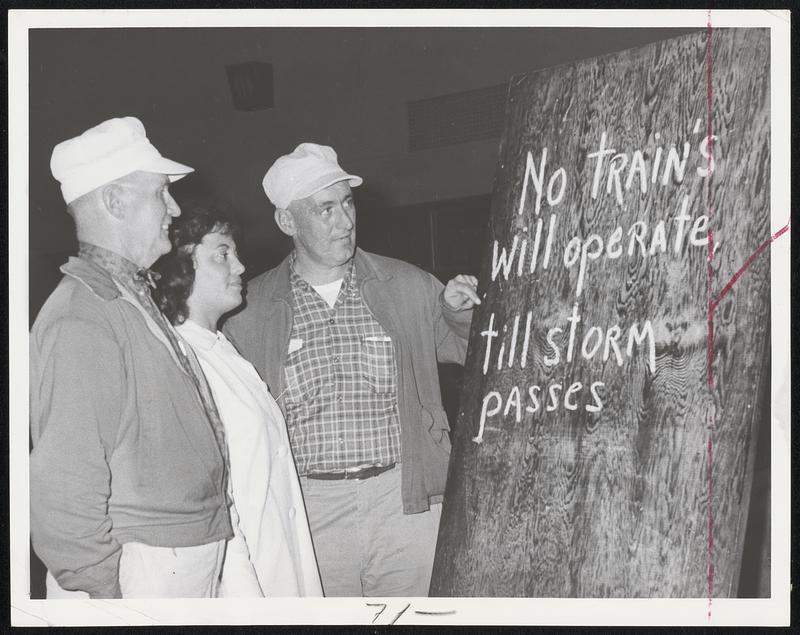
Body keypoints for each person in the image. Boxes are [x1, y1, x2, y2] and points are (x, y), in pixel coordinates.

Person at [224, 142, 480, 597]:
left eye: (347, 203)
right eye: (325, 209)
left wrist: (459, 313)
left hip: (405, 502)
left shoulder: (406, 284)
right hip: (308, 508)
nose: (345, 221)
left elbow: (473, 354)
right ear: (287, 221)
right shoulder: (250, 310)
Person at [30, 117, 233, 599]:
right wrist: (100, 594)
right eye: (161, 192)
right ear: (114, 201)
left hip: (173, 556)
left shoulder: (128, 296)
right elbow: (64, 485)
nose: (174, 207)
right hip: (139, 568)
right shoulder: (83, 316)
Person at [152, 205, 323, 597]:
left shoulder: (222, 348)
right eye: (223, 254)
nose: (241, 267)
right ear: (181, 266)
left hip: (276, 562)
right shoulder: (180, 360)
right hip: (242, 581)